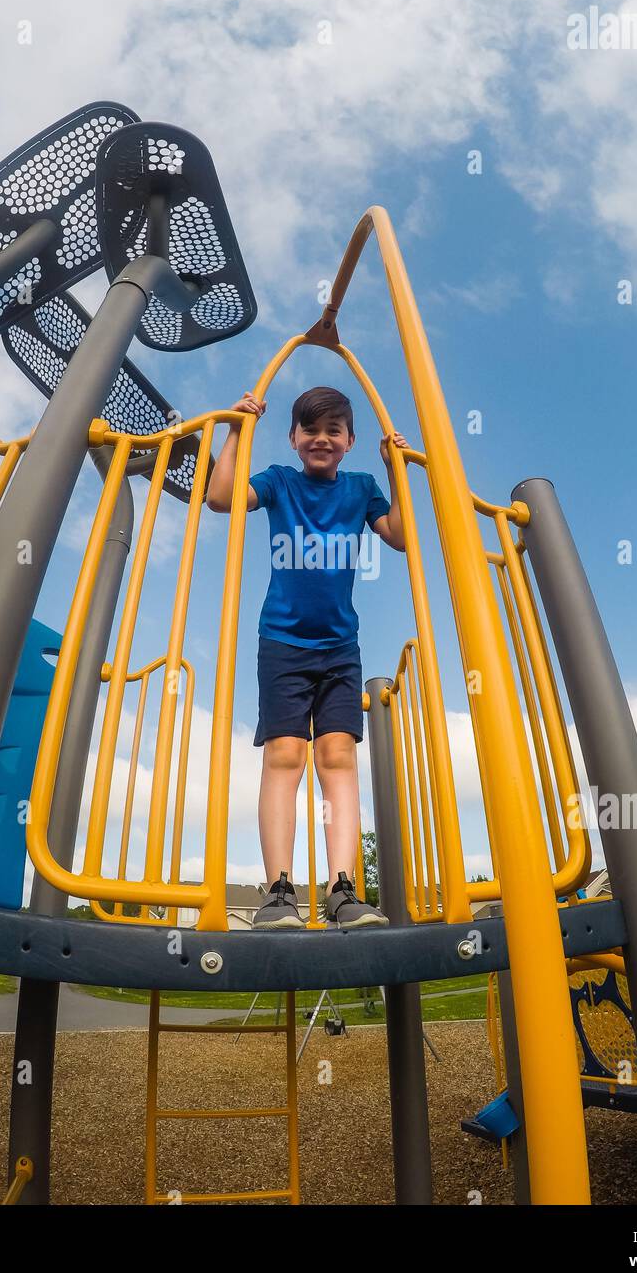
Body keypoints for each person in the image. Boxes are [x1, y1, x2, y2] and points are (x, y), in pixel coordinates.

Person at [206, 385, 408, 929]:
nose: (321, 439)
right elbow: (221, 499)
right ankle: (278, 893)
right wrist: (233, 431)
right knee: (286, 758)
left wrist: (397, 469)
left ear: (349, 441)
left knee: (338, 759)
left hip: (341, 647)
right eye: (310, 429)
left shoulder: (363, 488)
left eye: (333, 430)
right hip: (283, 643)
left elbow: (403, 537)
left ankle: (342, 889)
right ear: (294, 437)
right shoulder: (278, 480)